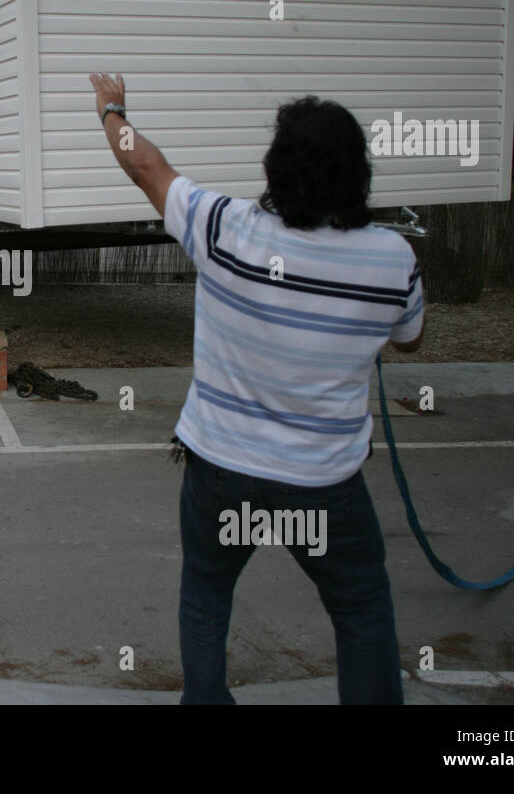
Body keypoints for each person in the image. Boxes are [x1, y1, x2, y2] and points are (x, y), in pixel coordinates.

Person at [89, 74, 425, 705]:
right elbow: (410, 338)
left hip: (220, 469)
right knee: (361, 613)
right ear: (358, 173)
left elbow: (144, 165)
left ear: (276, 169)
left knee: (207, 598)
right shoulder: (392, 258)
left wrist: (112, 108)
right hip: (325, 483)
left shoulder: (222, 226)